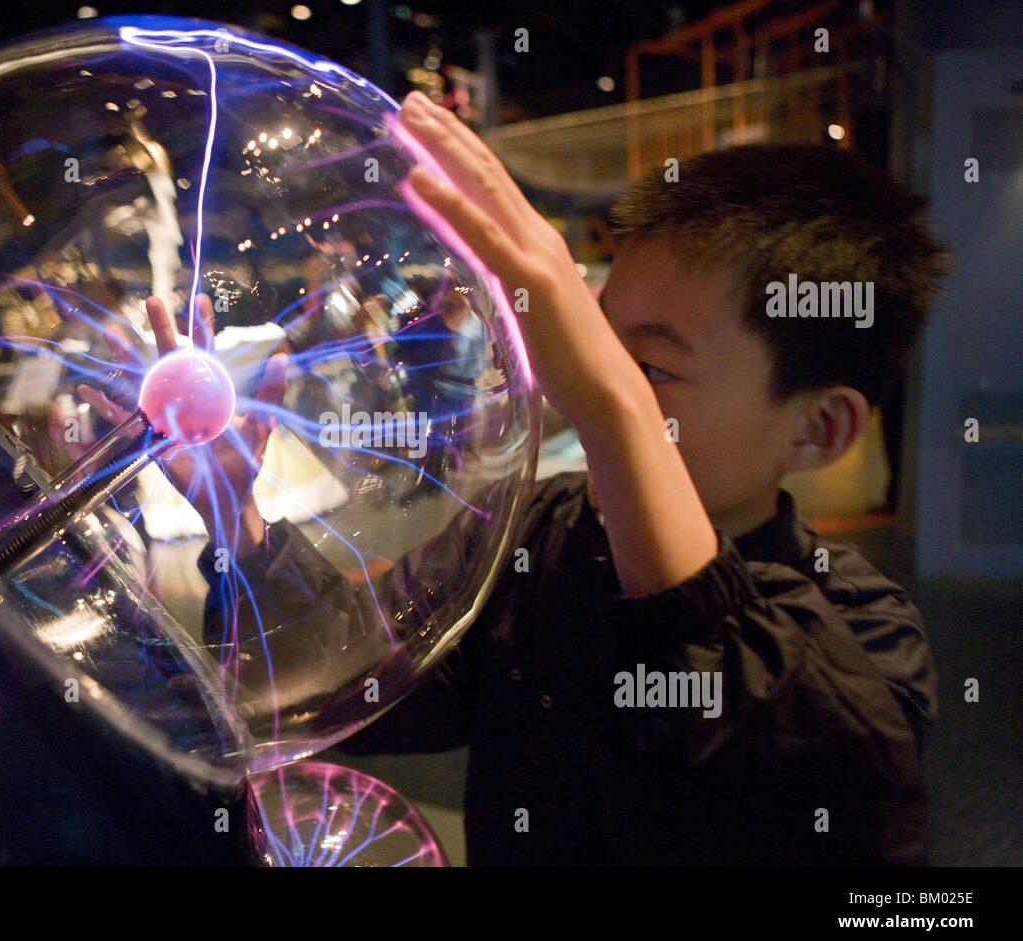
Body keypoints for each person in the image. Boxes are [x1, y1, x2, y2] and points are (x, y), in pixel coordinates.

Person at [82, 90, 950, 865]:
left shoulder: (868, 642)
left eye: (646, 369)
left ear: (819, 428)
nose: (587, 386)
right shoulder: (550, 535)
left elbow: (773, 787)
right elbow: (377, 683)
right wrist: (243, 524)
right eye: (595, 341)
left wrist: (611, 407)